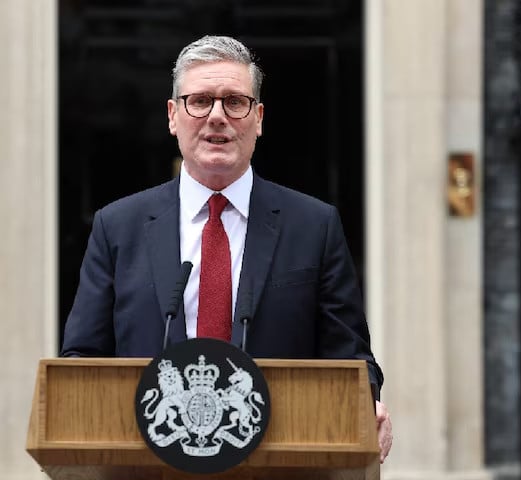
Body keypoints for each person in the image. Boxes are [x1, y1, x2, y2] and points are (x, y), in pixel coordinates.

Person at [61, 35, 392, 462]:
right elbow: (82, 360)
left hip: (280, 464)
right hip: (145, 466)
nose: (217, 116)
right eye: (199, 101)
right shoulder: (117, 226)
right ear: (172, 116)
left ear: (258, 118)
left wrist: (367, 402)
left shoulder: (314, 225)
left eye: (234, 102)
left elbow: (352, 360)